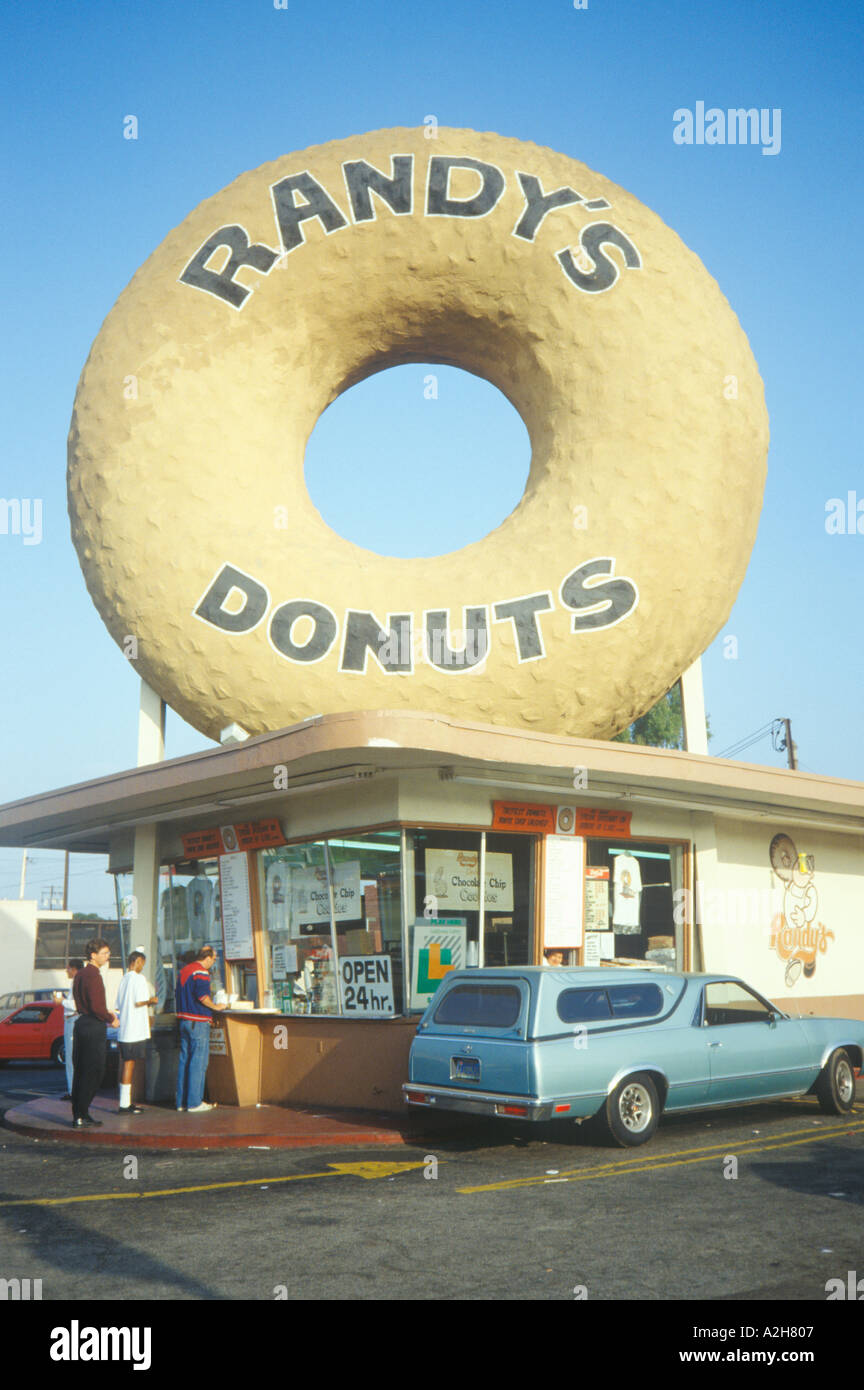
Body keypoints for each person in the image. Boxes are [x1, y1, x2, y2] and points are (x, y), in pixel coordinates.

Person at [71, 939, 119, 1128]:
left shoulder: (80, 974)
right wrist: (111, 1019)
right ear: (93, 955)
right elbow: (97, 1006)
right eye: (105, 953)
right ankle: (82, 1113)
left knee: (81, 1070)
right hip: (93, 1026)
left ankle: (79, 1113)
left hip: (81, 1024)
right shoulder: (94, 975)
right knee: (94, 1071)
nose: (108, 956)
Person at [175, 945, 225, 1113]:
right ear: (208, 957)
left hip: (183, 1021)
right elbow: (203, 996)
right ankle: (195, 1102)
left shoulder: (184, 971)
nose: (213, 963)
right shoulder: (201, 972)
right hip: (198, 1021)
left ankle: (181, 1102)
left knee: (185, 1061)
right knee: (199, 1061)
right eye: (214, 959)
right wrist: (216, 1007)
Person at [115, 950, 157, 1114]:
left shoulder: (124, 979)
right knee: (129, 1065)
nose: (142, 968)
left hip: (125, 1029)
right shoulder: (138, 979)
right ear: (137, 961)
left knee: (128, 1064)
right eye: (142, 964)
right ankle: (124, 1104)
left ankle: (126, 1102)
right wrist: (151, 1001)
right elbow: (139, 1001)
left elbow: (119, 1004)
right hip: (134, 1030)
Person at [61, 958, 83, 1100]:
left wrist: (61, 1001)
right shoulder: (77, 982)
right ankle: (74, 1089)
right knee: (73, 1057)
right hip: (72, 1020)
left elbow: (75, 1005)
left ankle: (73, 1091)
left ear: (74, 969)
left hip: (72, 1020)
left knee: (70, 1057)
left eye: (68, 968)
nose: (66, 971)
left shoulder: (76, 982)